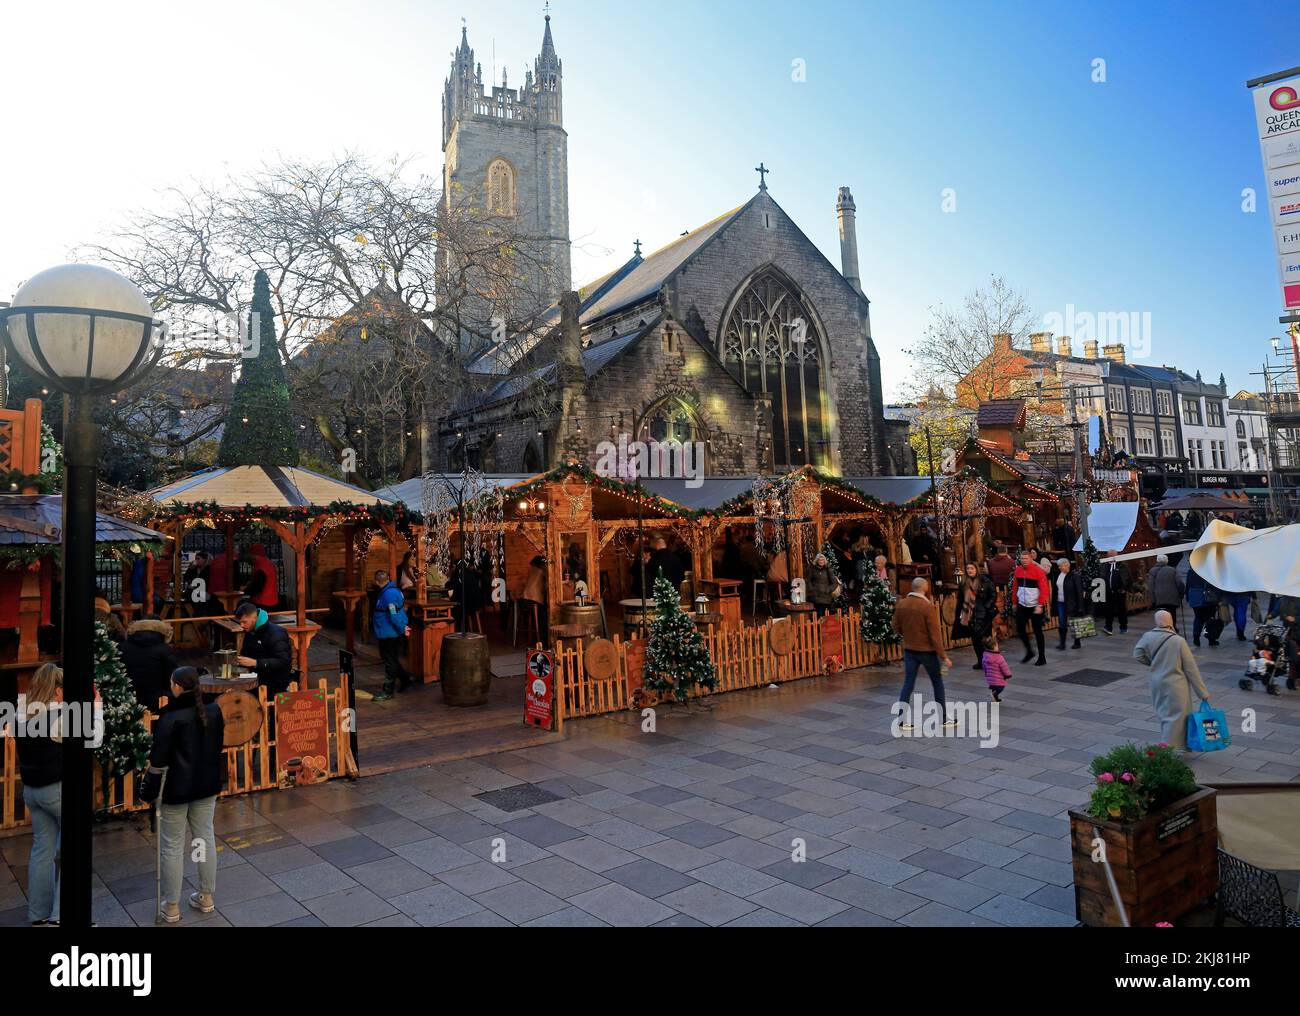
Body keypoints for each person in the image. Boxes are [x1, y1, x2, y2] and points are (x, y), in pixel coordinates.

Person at [151, 666, 225, 923]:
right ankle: (206, 896)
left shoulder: (170, 718)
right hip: (206, 785)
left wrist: (148, 789)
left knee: (172, 846)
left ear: (178, 687)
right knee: (203, 838)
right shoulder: (214, 711)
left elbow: (157, 759)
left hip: (175, 789)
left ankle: (171, 905)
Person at [15, 663, 63, 926]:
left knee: (41, 850)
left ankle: (38, 914)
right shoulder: (59, 716)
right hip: (56, 787)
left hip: (32, 789)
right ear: (56, 690)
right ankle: (60, 914)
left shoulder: (22, 713)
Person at [1133, 610, 1212, 751]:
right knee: (1175, 717)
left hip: (1156, 682)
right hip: (1176, 685)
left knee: (1164, 715)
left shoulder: (1148, 636)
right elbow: (1191, 669)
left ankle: (1183, 744)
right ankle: (1167, 750)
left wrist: (1153, 663)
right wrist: (1202, 693)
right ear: (1171, 622)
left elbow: (1138, 654)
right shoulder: (1178, 641)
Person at [891, 577, 955, 730]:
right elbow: (935, 635)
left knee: (908, 684)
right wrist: (943, 656)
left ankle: (901, 720)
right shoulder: (927, 607)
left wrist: (907, 635)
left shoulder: (902, 604)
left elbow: (895, 626)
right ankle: (943, 718)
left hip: (909, 650)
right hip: (927, 652)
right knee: (937, 683)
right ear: (925, 588)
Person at [121, 616, 179, 713]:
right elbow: (173, 677)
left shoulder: (122, 647)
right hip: (157, 702)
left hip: (125, 700)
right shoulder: (164, 650)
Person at [234, 601, 293, 694]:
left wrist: (256, 663)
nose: (241, 625)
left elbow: (283, 662)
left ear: (255, 617)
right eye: (240, 622)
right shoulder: (250, 632)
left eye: (244, 622)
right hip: (254, 678)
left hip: (274, 682)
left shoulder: (276, 633)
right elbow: (245, 654)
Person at [371, 569, 412, 701]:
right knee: (390, 657)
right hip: (387, 631)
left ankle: (388, 691)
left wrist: (402, 629)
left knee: (390, 661)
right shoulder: (393, 590)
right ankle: (405, 679)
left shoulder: (389, 595)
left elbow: (394, 615)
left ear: (377, 582)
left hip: (389, 632)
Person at [954, 562, 997, 669]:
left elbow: (993, 594)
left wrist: (986, 607)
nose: (969, 570)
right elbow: (961, 599)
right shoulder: (964, 583)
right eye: (968, 568)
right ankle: (980, 661)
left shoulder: (985, 581)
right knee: (975, 640)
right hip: (970, 615)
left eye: (971, 568)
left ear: (976, 569)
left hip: (984, 615)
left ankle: (990, 661)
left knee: (986, 640)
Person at [1012, 549, 1050, 666]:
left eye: (1026, 558)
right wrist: (1014, 602)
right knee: (1020, 629)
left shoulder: (1038, 571)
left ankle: (1042, 657)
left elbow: (1044, 590)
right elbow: (1015, 587)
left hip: (1035, 606)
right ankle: (1029, 651)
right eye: (1022, 559)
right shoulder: (1018, 570)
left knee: (1038, 631)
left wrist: (1040, 605)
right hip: (1022, 604)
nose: (1024, 561)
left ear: (1031, 559)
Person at [1185, 565, 1222, 648]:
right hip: (1207, 598)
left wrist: (1188, 597)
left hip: (1194, 598)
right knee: (1209, 618)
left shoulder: (1191, 571)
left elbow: (1188, 585)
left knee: (1198, 617)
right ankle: (1211, 639)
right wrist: (1218, 598)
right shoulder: (1208, 570)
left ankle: (1196, 637)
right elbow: (1215, 585)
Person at [1054, 558, 1084, 651]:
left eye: (1061, 566)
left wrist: (1080, 606)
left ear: (1067, 565)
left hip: (1072, 603)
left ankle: (1077, 642)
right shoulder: (1059, 575)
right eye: (1058, 566)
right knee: (1062, 622)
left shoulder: (1075, 575)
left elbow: (1079, 591)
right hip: (1060, 602)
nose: (1059, 568)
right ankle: (1062, 643)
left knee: (1074, 622)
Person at [242, 543, 280, 611]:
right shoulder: (268, 563)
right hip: (272, 600)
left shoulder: (260, 566)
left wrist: (244, 590)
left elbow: (257, 587)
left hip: (262, 602)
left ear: (253, 555)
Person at [1101, 551, 1130, 636]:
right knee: (1109, 610)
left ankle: (1123, 627)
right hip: (1109, 592)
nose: (1111, 557)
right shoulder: (1105, 566)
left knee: (1121, 610)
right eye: (1109, 555)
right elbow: (1102, 577)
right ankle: (1108, 627)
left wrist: (1125, 588)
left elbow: (1128, 578)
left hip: (1119, 592)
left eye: (1112, 555)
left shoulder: (1122, 566)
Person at [981, 636, 1013, 703]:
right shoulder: (999, 657)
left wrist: (986, 674)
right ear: (995, 646)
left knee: (994, 687)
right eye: (997, 645)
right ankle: (995, 694)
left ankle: (995, 698)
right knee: (1001, 687)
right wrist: (1008, 674)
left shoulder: (985, 656)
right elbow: (1004, 667)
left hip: (990, 677)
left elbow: (984, 666)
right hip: (998, 677)